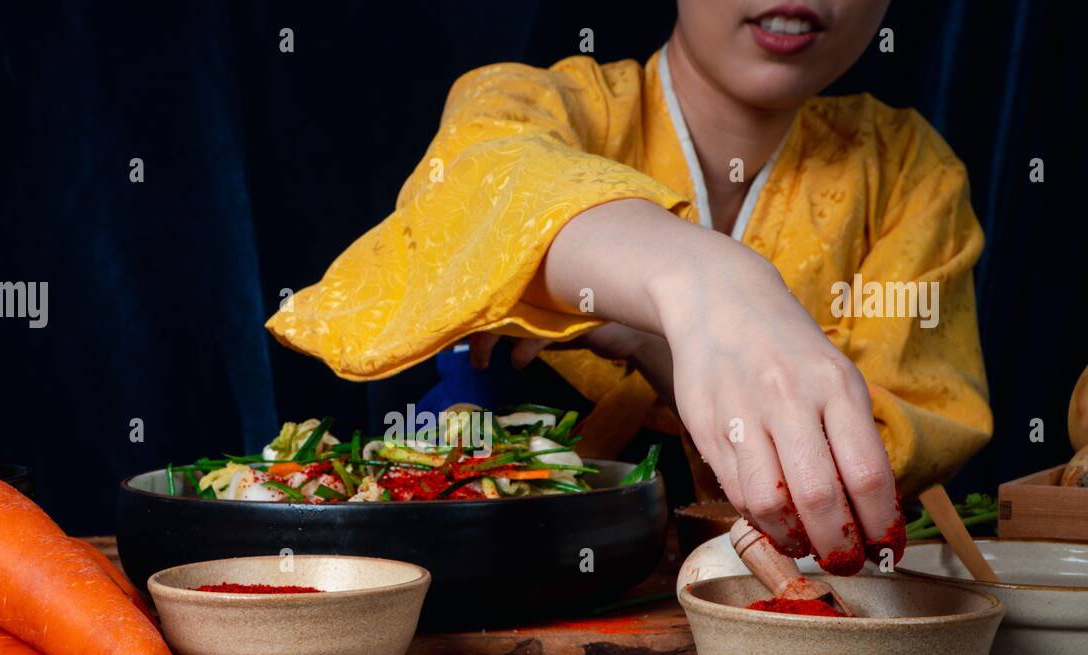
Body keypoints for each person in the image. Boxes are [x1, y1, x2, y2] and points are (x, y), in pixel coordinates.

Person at [267, 0, 991, 572]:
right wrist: (711, 281)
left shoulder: (909, 176)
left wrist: (655, 341)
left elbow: (887, 458)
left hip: (805, 641)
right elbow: (477, 181)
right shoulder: (540, 104)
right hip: (519, 626)